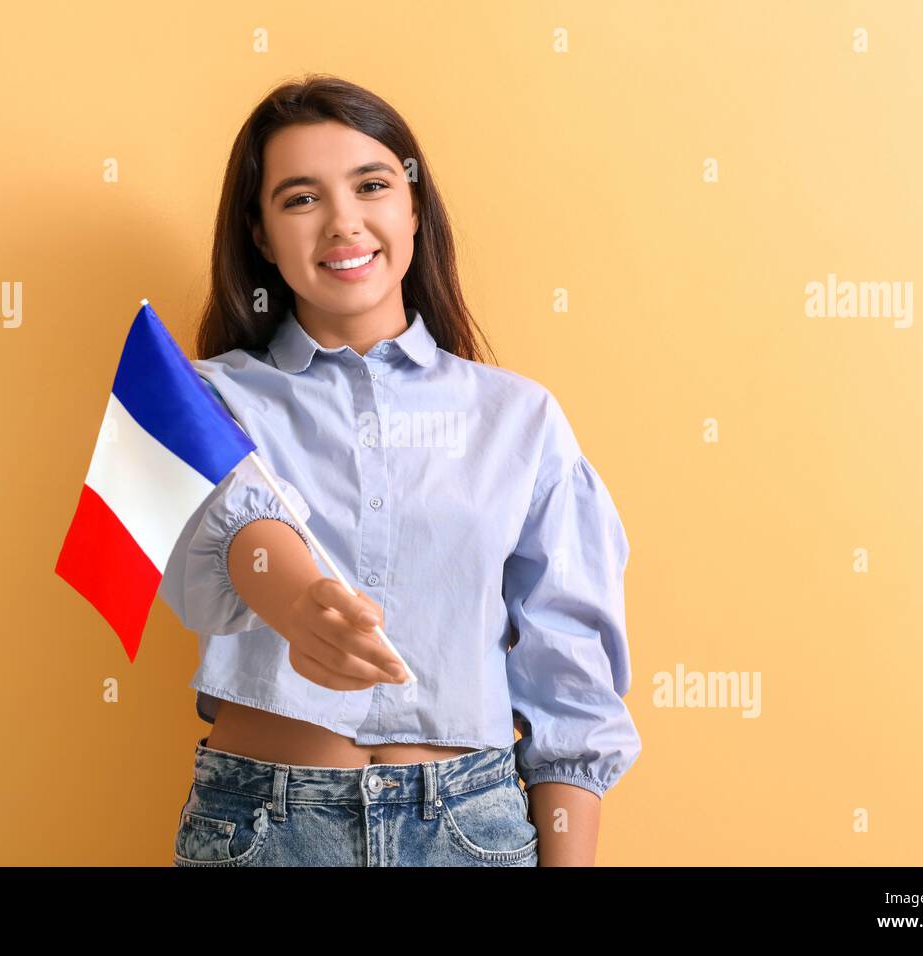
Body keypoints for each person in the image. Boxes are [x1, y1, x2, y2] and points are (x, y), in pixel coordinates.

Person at [158, 74, 641, 867]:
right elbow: (235, 526)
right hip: (265, 831)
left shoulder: (519, 419)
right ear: (260, 233)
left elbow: (570, 682)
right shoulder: (208, 397)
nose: (344, 222)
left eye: (373, 185)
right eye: (300, 199)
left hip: (470, 831)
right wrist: (300, 600)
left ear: (413, 206)